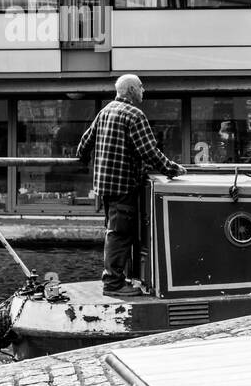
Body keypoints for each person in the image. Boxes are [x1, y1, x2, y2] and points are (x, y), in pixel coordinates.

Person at [77, 75, 186, 297]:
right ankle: (114, 284)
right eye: (141, 87)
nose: (144, 90)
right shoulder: (134, 115)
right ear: (131, 90)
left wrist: (85, 160)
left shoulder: (105, 111)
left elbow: (83, 145)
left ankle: (120, 278)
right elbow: (149, 152)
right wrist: (173, 169)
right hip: (124, 185)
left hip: (104, 185)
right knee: (120, 234)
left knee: (114, 231)